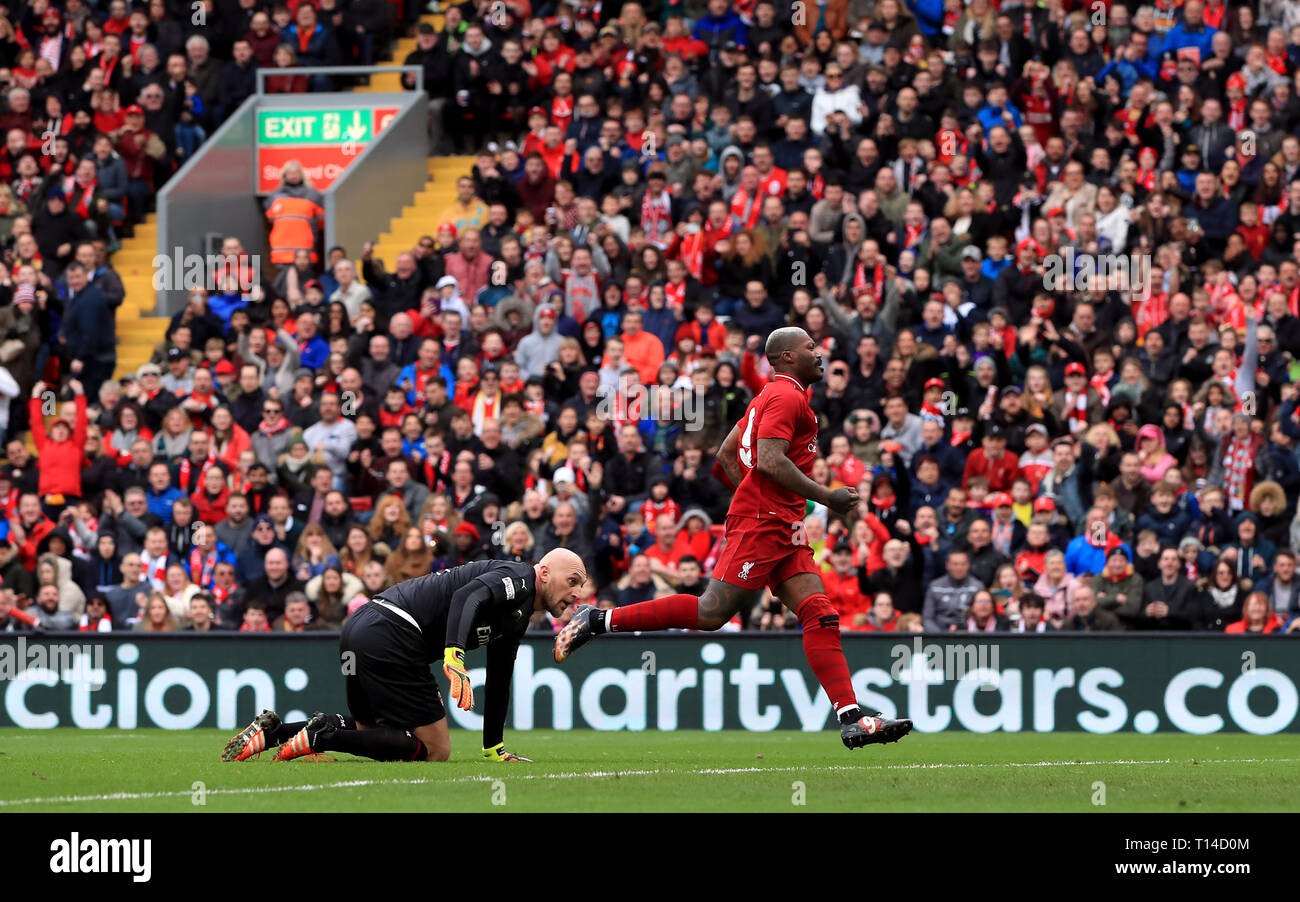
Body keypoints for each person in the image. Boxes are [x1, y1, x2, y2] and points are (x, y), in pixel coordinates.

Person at [553, 327, 912, 749]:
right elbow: (769, 458)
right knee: (711, 613)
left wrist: (765, 497)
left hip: (781, 524)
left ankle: (851, 719)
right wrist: (824, 498)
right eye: (811, 347)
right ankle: (598, 620)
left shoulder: (767, 398)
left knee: (821, 616)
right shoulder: (786, 397)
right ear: (786, 357)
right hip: (764, 523)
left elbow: (727, 454)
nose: (820, 354)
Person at [221, 548, 587, 763]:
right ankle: (322, 736)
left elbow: (501, 675)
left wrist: (494, 747)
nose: (577, 594)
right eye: (572, 581)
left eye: (582, 587)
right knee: (436, 749)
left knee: (373, 732)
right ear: (543, 572)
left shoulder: (519, 614)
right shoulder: (519, 576)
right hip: (393, 631)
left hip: (360, 627)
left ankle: (274, 733)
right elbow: (466, 598)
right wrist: (454, 656)